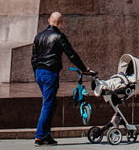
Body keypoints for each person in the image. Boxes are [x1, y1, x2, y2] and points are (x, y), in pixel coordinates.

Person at [30, 11, 93, 147]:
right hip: (49, 73)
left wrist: (36, 71)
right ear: (61, 23)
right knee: (48, 103)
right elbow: (71, 55)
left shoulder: (38, 36)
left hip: (39, 73)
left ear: (49, 20)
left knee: (51, 103)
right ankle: (39, 136)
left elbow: (33, 57)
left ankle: (47, 135)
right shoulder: (59, 36)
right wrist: (83, 68)